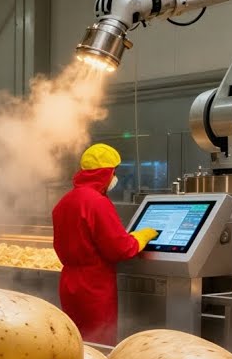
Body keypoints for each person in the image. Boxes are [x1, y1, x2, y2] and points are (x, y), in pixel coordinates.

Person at [52, 143, 159, 345]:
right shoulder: (97, 202)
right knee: (98, 343)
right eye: (114, 172)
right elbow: (119, 248)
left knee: (75, 342)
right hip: (94, 285)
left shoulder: (65, 201)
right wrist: (141, 237)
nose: (114, 177)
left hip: (69, 282)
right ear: (105, 173)